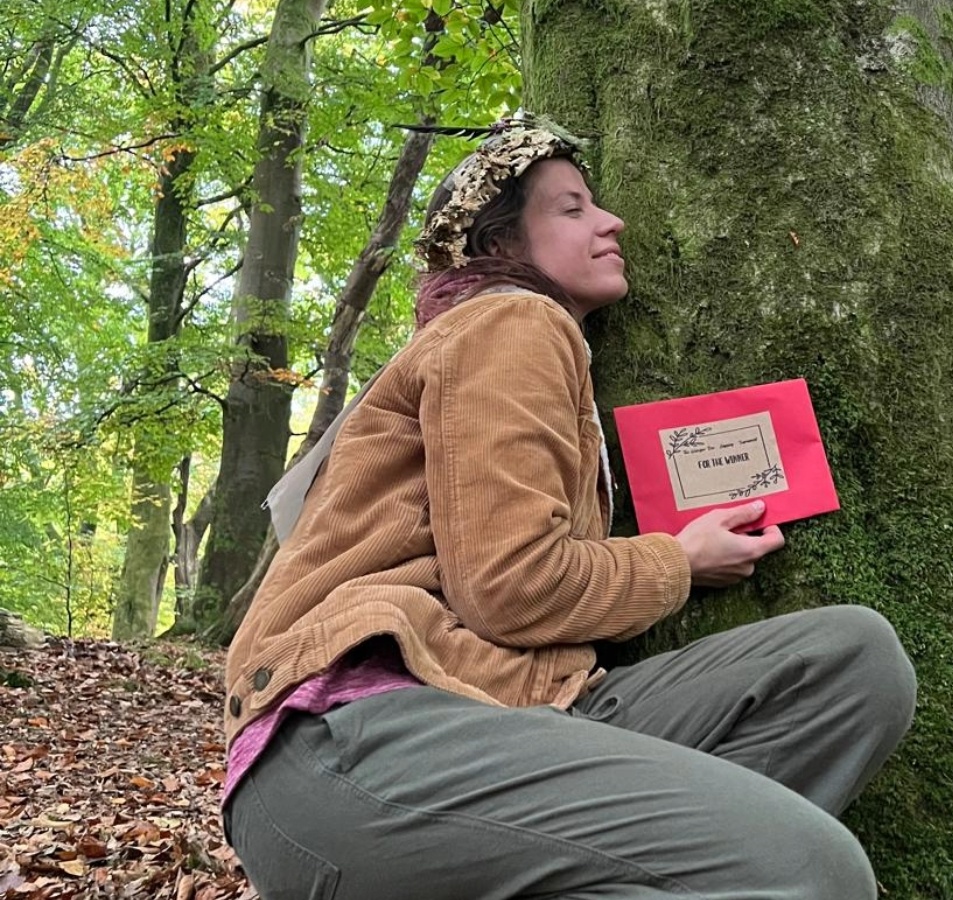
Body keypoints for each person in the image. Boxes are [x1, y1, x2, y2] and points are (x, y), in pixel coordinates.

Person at [222, 113, 917, 900]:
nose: (612, 221)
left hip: (513, 711)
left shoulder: (519, 344)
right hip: (358, 734)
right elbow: (511, 586)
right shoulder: (511, 319)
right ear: (501, 246)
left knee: (850, 663)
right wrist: (678, 561)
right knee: (808, 867)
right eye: (573, 207)